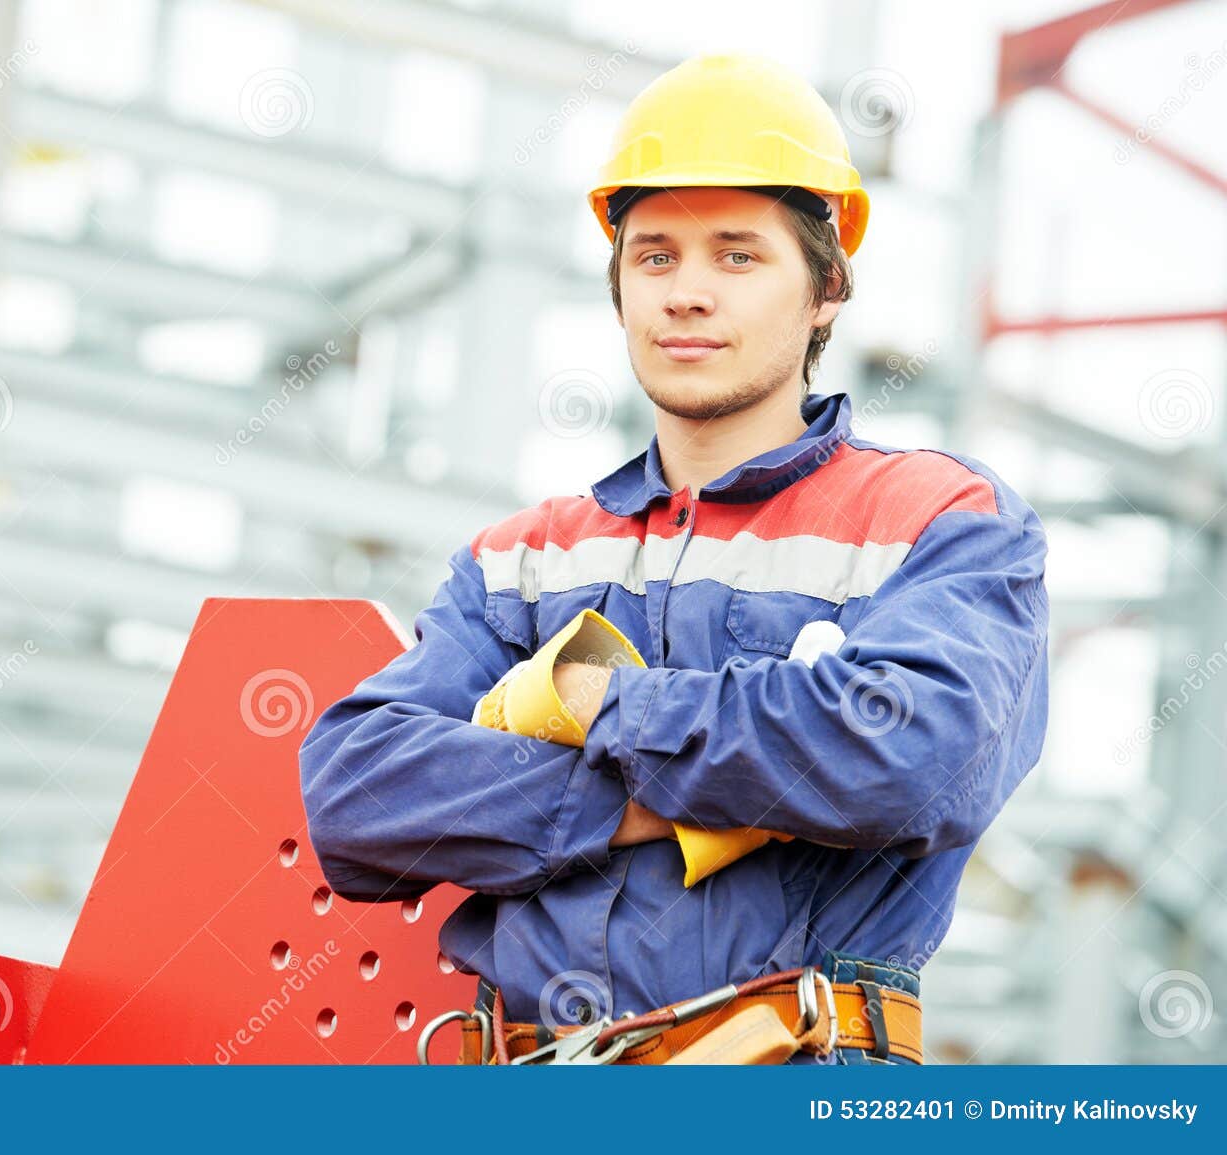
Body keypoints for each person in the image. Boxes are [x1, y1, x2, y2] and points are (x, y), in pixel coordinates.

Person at [299, 53, 1049, 1065]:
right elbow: (358, 795)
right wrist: (670, 797)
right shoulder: (522, 557)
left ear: (826, 289)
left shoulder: (939, 518)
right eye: (655, 257)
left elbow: (908, 759)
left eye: (737, 256)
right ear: (618, 289)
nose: (687, 293)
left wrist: (590, 704)